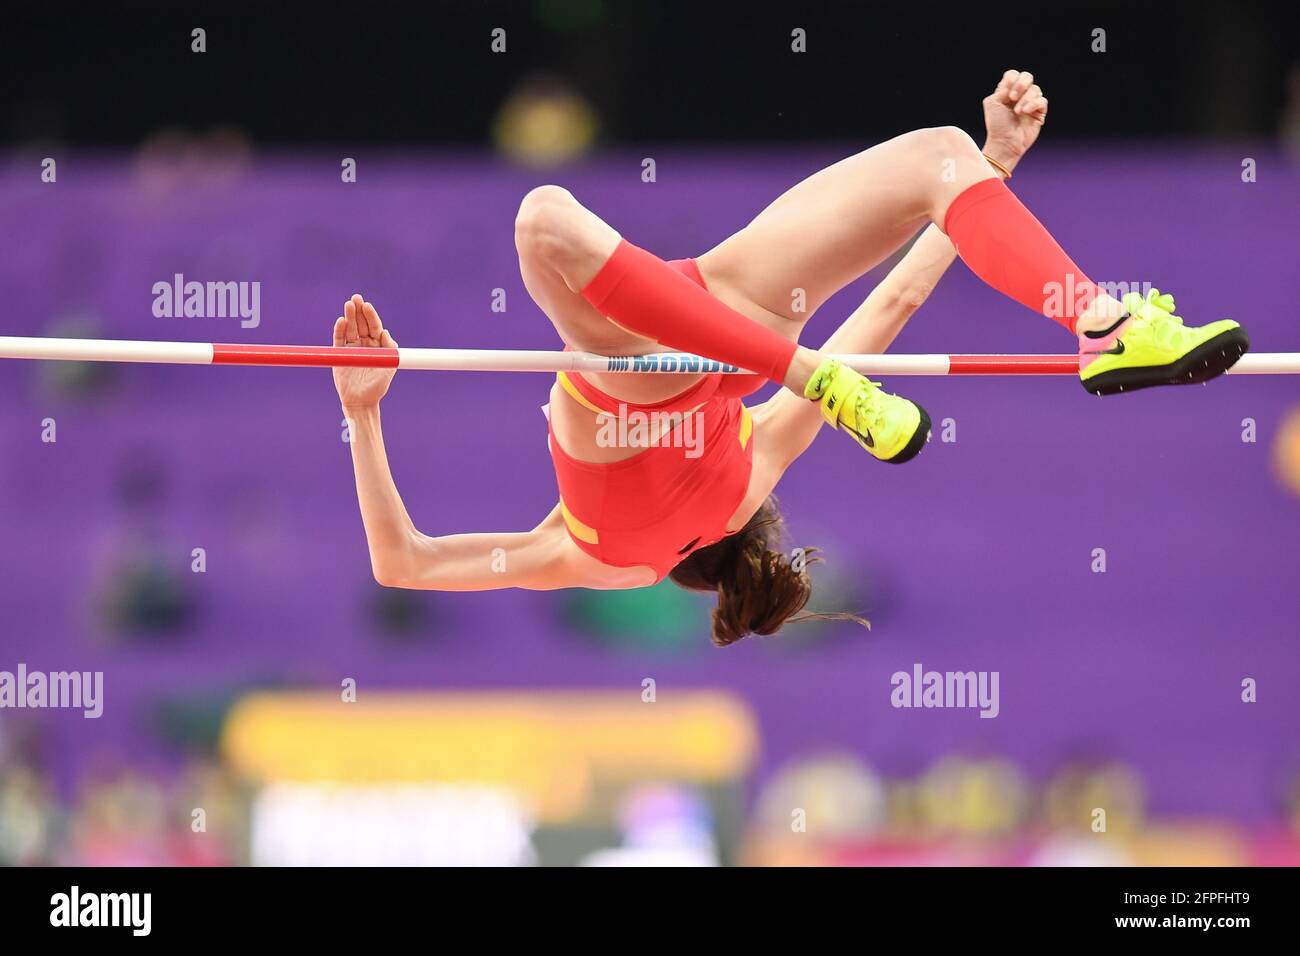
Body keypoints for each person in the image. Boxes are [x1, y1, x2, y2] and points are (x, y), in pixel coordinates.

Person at [333, 70, 1248, 645]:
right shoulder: (586, 558)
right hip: (670, 351)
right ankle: (1094, 321)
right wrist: (364, 409)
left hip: (708, 326)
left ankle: (1074, 319)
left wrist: (1001, 165)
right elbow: (403, 562)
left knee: (950, 157)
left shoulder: (752, 472)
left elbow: (895, 299)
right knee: (542, 220)